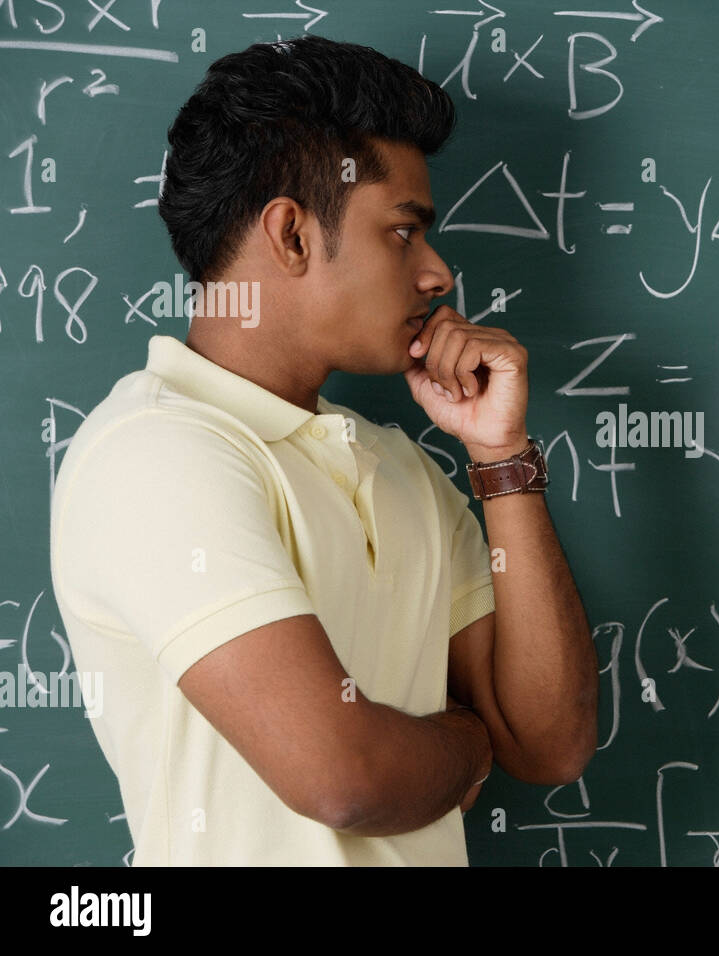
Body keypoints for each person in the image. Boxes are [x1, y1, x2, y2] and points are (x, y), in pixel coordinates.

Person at [48, 35, 597, 865]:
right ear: (293, 236)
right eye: (404, 233)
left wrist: (502, 456)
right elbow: (344, 779)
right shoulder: (156, 455)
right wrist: (468, 747)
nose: (438, 273)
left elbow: (548, 743)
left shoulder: (404, 468)